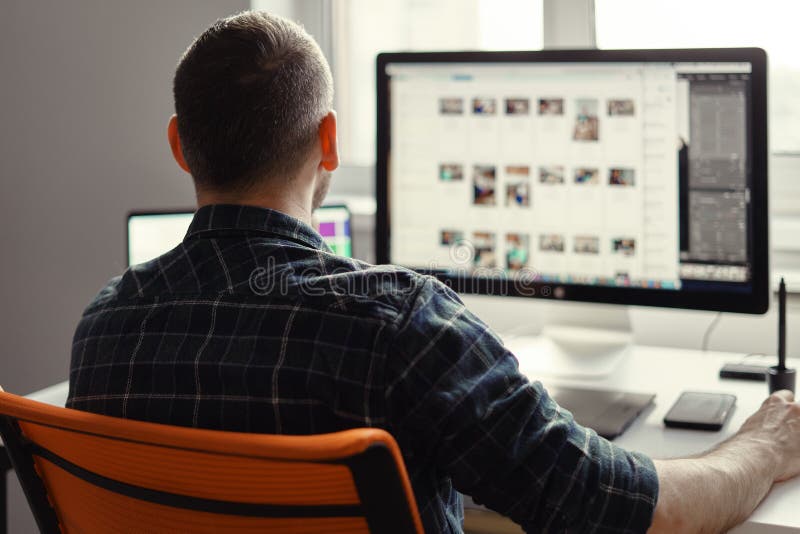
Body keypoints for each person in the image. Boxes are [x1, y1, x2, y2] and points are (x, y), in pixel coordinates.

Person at [67, 10, 800, 533]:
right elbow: (620, 509)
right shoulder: (400, 324)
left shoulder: (102, 327)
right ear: (328, 141)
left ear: (180, 146)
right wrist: (762, 446)